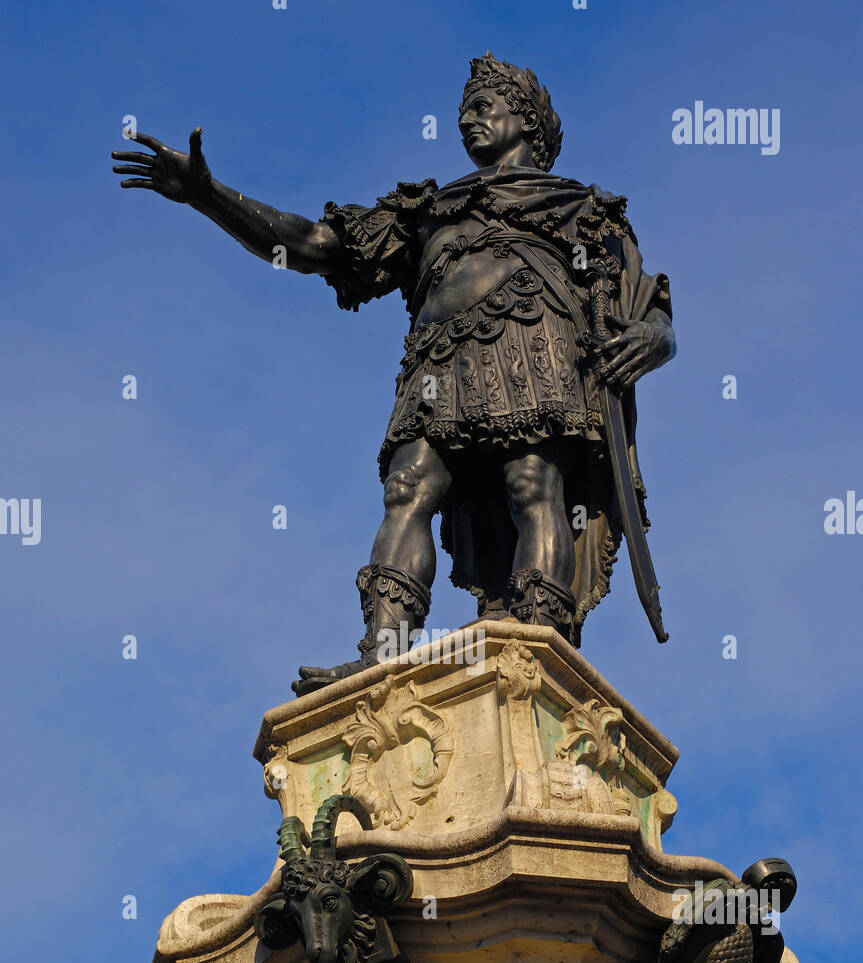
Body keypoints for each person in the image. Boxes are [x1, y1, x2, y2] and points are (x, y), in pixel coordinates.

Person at [113, 53, 675, 693]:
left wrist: (654, 340)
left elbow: (648, 309)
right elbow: (312, 245)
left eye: (482, 105)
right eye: (463, 109)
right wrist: (210, 196)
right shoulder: (430, 211)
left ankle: (538, 647)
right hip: (438, 364)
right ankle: (383, 656)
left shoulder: (583, 210)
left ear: (526, 120)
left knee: (531, 484)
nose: (468, 118)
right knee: (408, 487)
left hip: (531, 348)